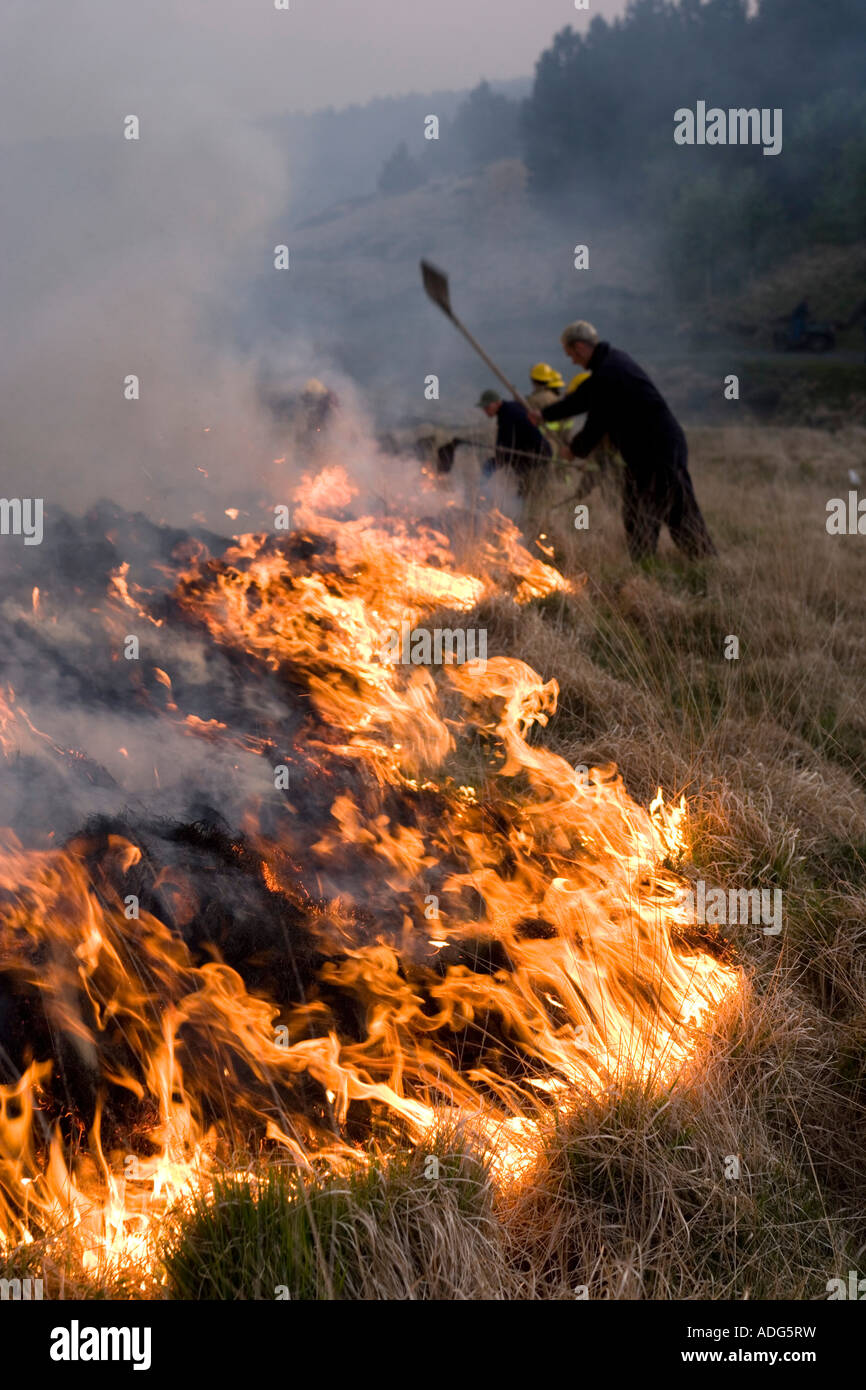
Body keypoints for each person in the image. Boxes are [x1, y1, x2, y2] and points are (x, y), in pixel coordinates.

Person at [536, 321, 715, 561]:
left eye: (571, 355)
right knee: (654, 508)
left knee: (659, 511)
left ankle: (679, 567)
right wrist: (544, 415)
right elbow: (583, 398)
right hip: (654, 448)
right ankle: (670, 565)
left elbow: (598, 421)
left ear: (579, 347)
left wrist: (574, 450)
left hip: (655, 449)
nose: (572, 361)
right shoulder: (610, 365)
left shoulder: (610, 371)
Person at [477, 388, 551, 496]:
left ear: (497, 403)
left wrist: (491, 467)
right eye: (484, 408)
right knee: (525, 493)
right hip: (532, 457)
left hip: (536, 459)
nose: (485, 410)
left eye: (488, 407)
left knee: (530, 495)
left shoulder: (508, 415)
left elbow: (504, 448)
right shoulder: (509, 409)